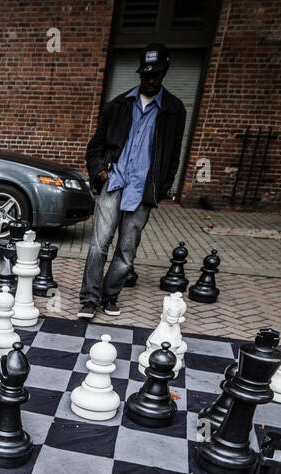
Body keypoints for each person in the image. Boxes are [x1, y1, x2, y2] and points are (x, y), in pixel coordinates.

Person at [79, 43, 186, 320]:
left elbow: (173, 155)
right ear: (140, 74)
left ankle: (109, 295)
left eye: (156, 75)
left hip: (142, 192)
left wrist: (161, 188)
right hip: (114, 185)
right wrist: (100, 171)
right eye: (146, 75)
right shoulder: (118, 105)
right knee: (98, 245)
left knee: (127, 252)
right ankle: (89, 299)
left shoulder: (174, 110)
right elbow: (96, 146)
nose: (150, 81)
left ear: (164, 73)